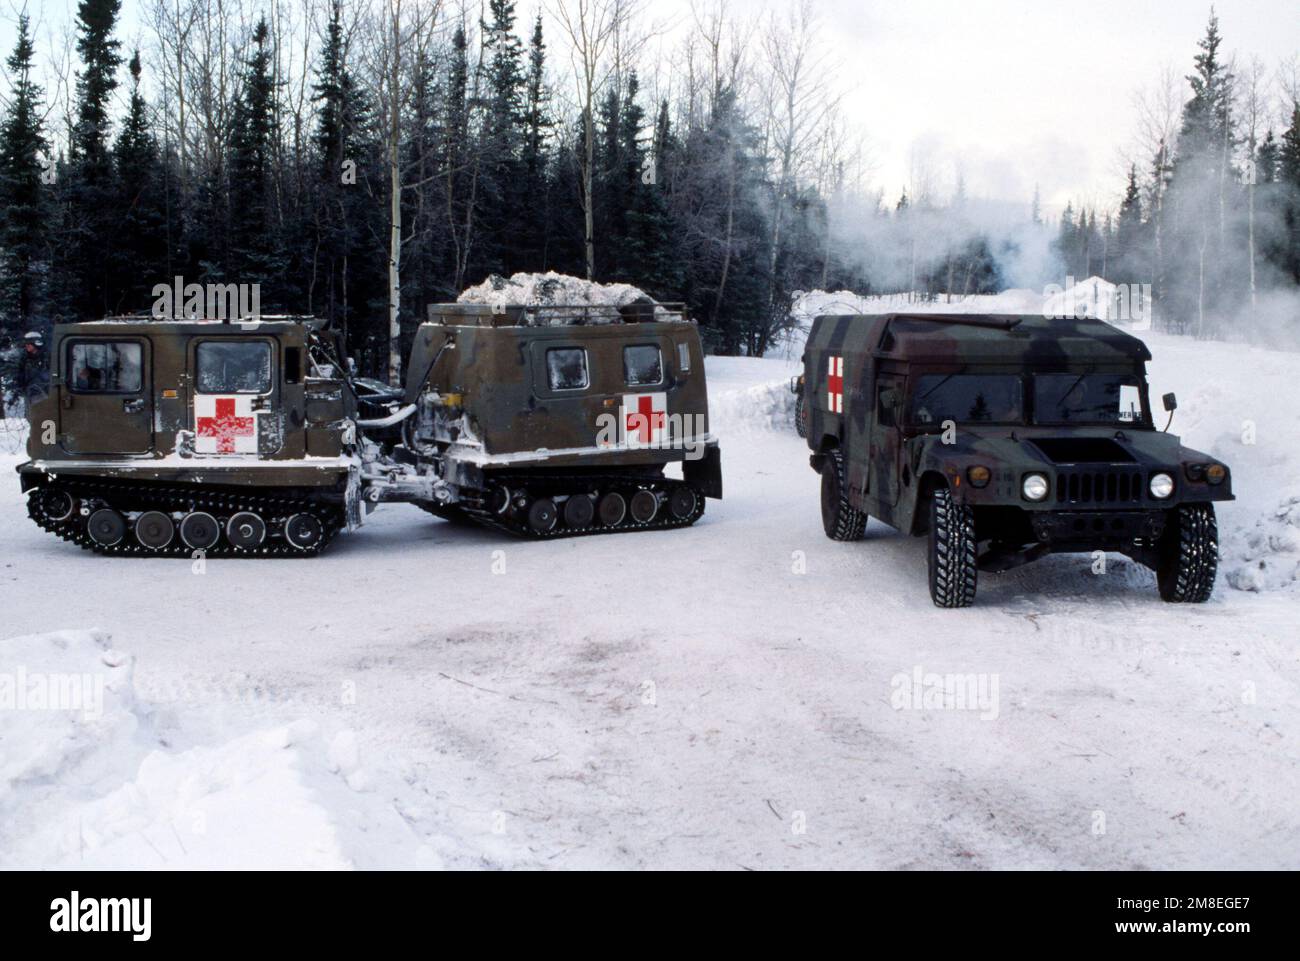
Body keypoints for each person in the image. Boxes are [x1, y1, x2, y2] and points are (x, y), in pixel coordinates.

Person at [17, 331, 49, 408]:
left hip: (44, 391)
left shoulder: (46, 357)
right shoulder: (24, 358)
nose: (26, 346)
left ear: (36, 344)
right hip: (30, 392)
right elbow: (20, 374)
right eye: (26, 344)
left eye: (29, 344)